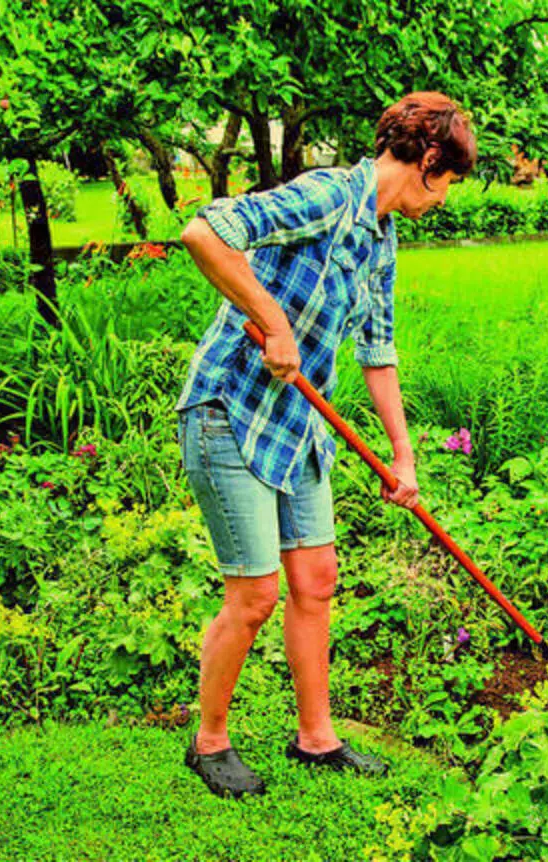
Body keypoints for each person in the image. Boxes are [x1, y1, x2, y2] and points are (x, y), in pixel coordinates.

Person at [174, 92, 477, 799]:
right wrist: (271, 318)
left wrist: (402, 457)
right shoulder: (327, 196)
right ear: (430, 160)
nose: (447, 199)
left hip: (297, 426)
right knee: (253, 595)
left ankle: (317, 738)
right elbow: (205, 232)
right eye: (452, 181)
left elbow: (377, 350)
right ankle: (209, 741)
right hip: (231, 409)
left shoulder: (382, 237)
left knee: (316, 582)